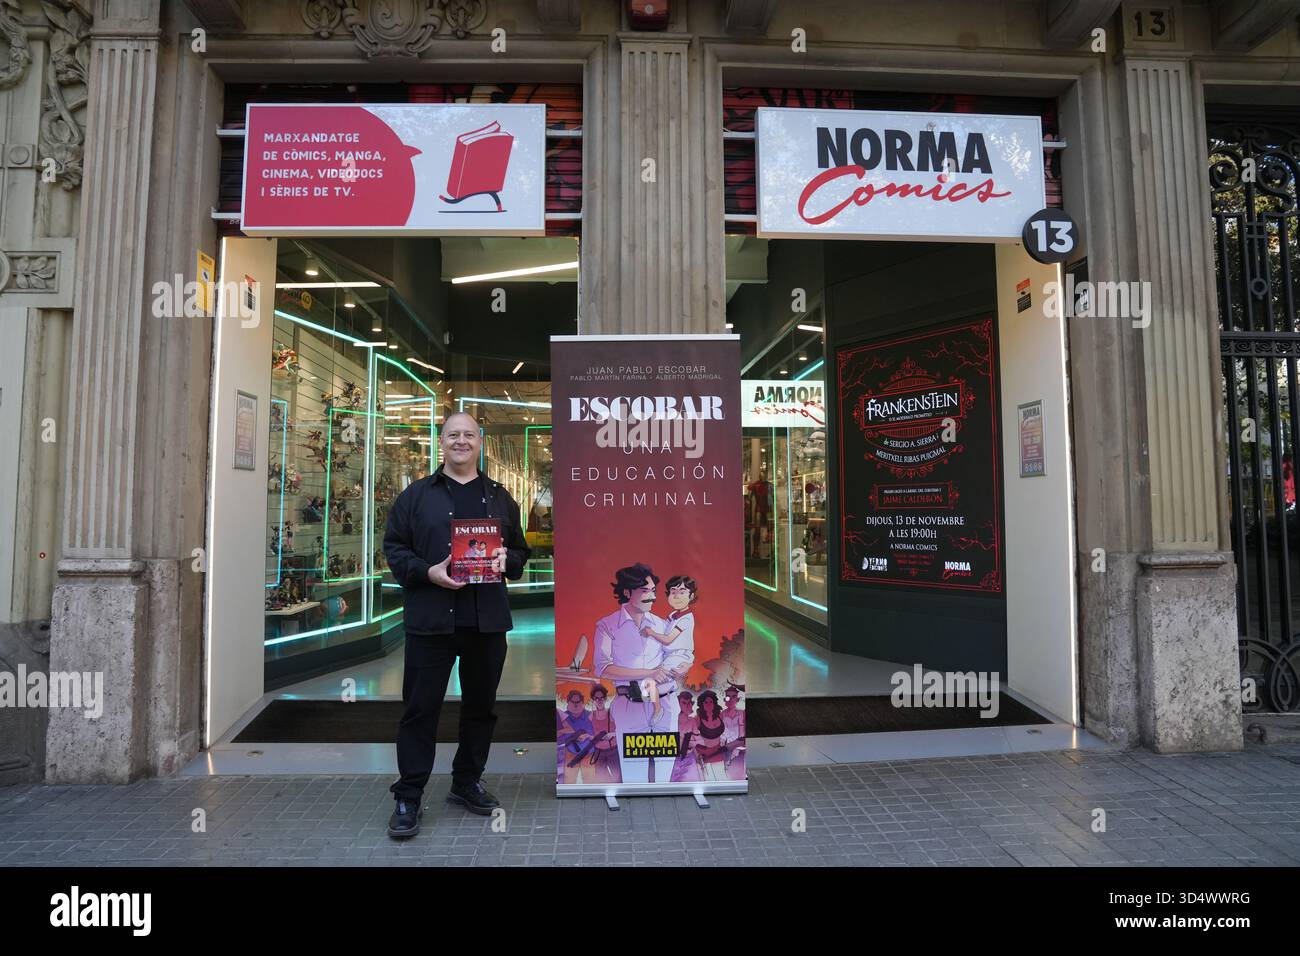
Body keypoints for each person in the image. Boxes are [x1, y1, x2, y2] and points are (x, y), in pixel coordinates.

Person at [381, 410, 531, 838]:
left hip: (486, 622)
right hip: (431, 622)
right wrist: (427, 572)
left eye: (468, 434)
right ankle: (409, 793)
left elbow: (520, 552)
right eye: (453, 434)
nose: (461, 441)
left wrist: (509, 561)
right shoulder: (415, 497)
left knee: (481, 708)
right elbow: (394, 548)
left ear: (479, 441)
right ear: (441, 440)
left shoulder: (501, 497)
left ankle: (466, 782)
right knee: (419, 710)